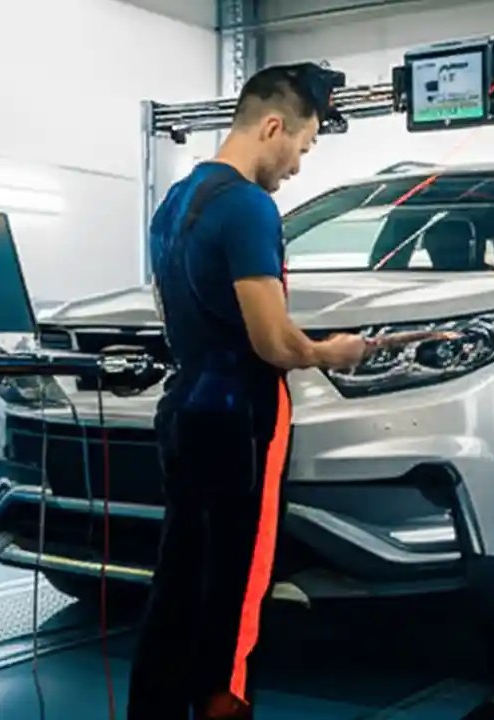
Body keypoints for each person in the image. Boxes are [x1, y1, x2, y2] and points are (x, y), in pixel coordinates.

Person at [127, 64, 369, 719]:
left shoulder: (174, 203)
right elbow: (272, 342)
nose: (299, 164)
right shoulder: (248, 206)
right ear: (272, 127)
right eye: (303, 144)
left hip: (183, 415)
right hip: (239, 428)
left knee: (178, 588)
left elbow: (176, 309)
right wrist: (330, 352)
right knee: (235, 606)